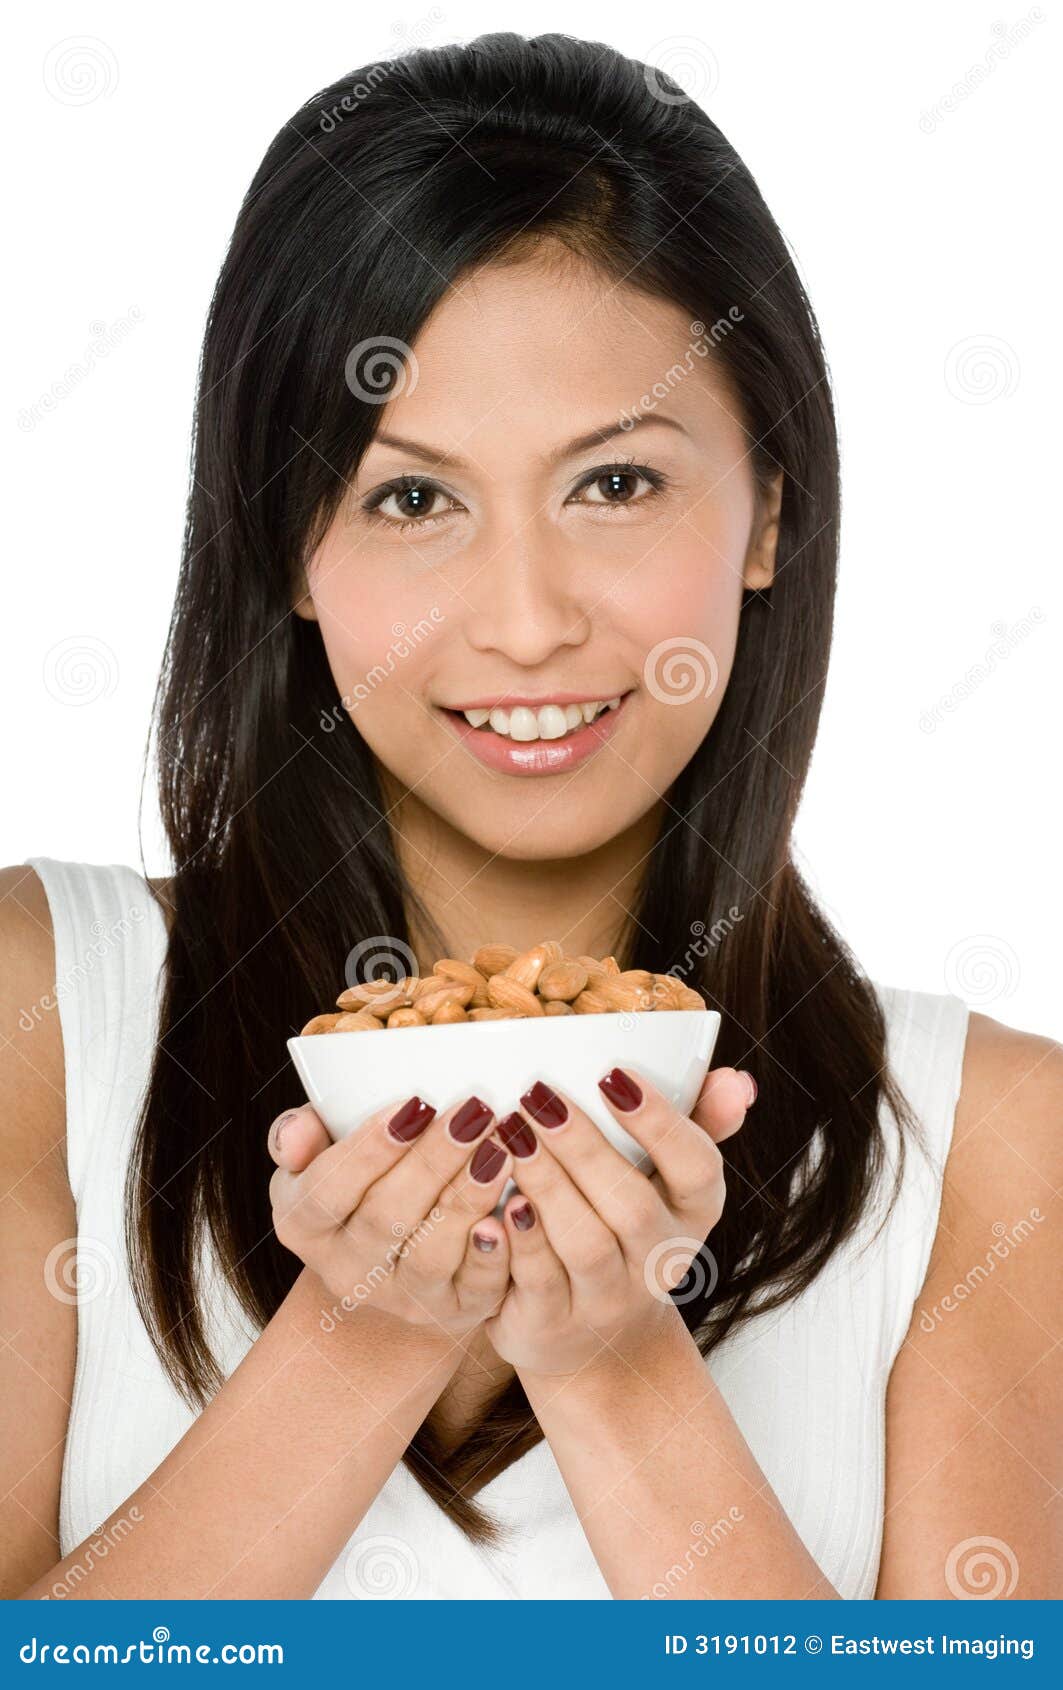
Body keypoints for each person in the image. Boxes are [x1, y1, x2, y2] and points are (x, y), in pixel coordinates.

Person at [2, 32, 1058, 1602]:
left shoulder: (991, 1142)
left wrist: (620, 1370)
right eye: (411, 496)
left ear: (768, 507)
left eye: (615, 484)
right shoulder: (41, 1015)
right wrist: (361, 1340)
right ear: (287, 549)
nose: (523, 622)